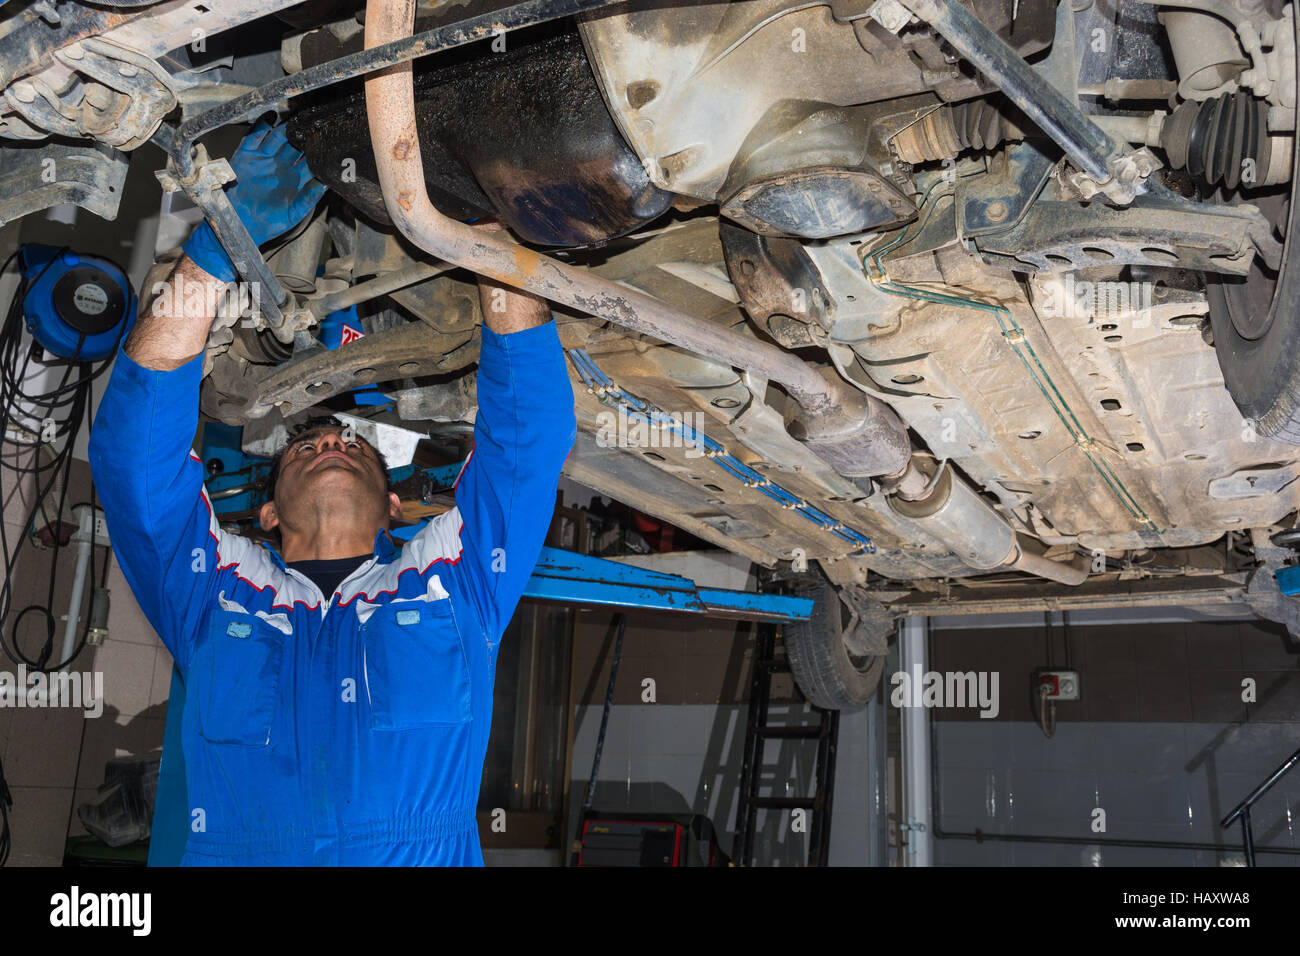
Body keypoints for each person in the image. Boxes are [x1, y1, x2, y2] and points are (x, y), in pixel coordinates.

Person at [87, 119, 577, 865]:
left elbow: (128, 458)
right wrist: (487, 236)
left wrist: (218, 253)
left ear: (393, 510)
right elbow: (528, 448)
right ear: (268, 512)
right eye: (310, 445)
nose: (329, 442)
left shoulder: (438, 582)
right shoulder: (444, 590)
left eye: (346, 442)